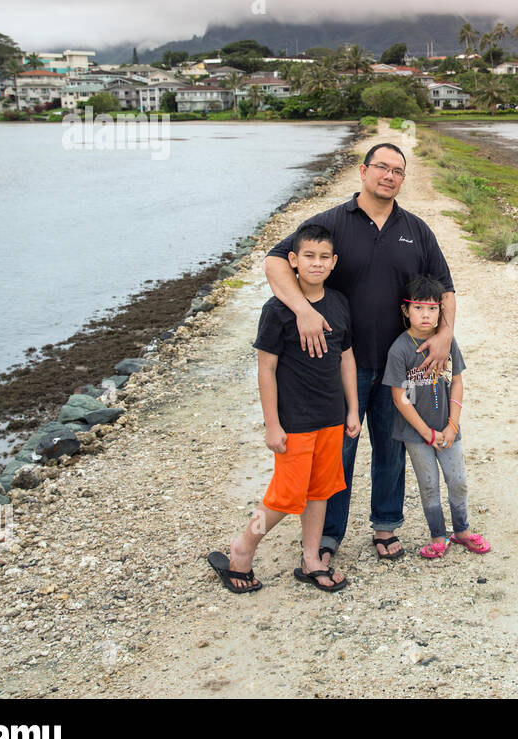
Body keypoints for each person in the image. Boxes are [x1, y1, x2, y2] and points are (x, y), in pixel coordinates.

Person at [263, 141, 455, 562]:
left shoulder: (417, 229)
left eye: (398, 171)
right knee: (337, 455)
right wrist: (303, 311)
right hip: (340, 365)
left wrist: (444, 335)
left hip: (399, 365)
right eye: (382, 167)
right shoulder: (332, 222)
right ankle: (328, 535)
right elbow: (276, 260)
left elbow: (444, 286)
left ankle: (385, 527)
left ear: (403, 179)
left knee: (391, 449)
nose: (389, 176)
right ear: (363, 171)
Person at [208, 223, 360, 593]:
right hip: (295, 421)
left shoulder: (339, 303)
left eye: (324, 257)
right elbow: (266, 369)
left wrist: (353, 409)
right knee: (284, 497)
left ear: (334, 261)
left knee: (321, 490)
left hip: (331, 417)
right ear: (293, 260)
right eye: (308, 256)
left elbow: (346, 358)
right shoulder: (277, 310)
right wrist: (272, 425)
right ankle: (243, 549)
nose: (316, 264)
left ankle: (311, 559)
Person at [383, 275, 489, 558]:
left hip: (448, 429)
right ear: (406, 311)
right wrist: (426, 433)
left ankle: (462, 530)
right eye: (418, 308)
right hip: (416, 435)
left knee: (458, 480)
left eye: (432, 308)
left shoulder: (447, 342)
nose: (426, 315)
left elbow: (456, 381)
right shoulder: (400, 349)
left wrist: (453, 425)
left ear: (441, 310)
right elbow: (399, 397)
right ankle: (437, 535)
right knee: (428, 484)